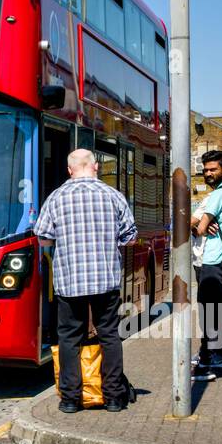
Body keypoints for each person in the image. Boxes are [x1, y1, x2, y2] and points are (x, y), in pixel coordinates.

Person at [34, 149, 138, 414]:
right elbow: (130, 238)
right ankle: (113, 397)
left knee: (69, 337)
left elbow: (43, 237)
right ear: (96, 167)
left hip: (70, 281)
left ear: (70, 170)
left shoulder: (56, 197)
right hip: (105, 280)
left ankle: (70, 399)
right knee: (109, 336)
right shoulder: (113, 196)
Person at [191, 150, 222, 378]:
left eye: (213, 169)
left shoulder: (219, 195)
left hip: (213, 260)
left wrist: (198, 225)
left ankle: (216, 359)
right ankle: (220, 355)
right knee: (221, 310)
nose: (209, 173)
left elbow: (199, 227)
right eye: (206, 170)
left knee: (211, 312)